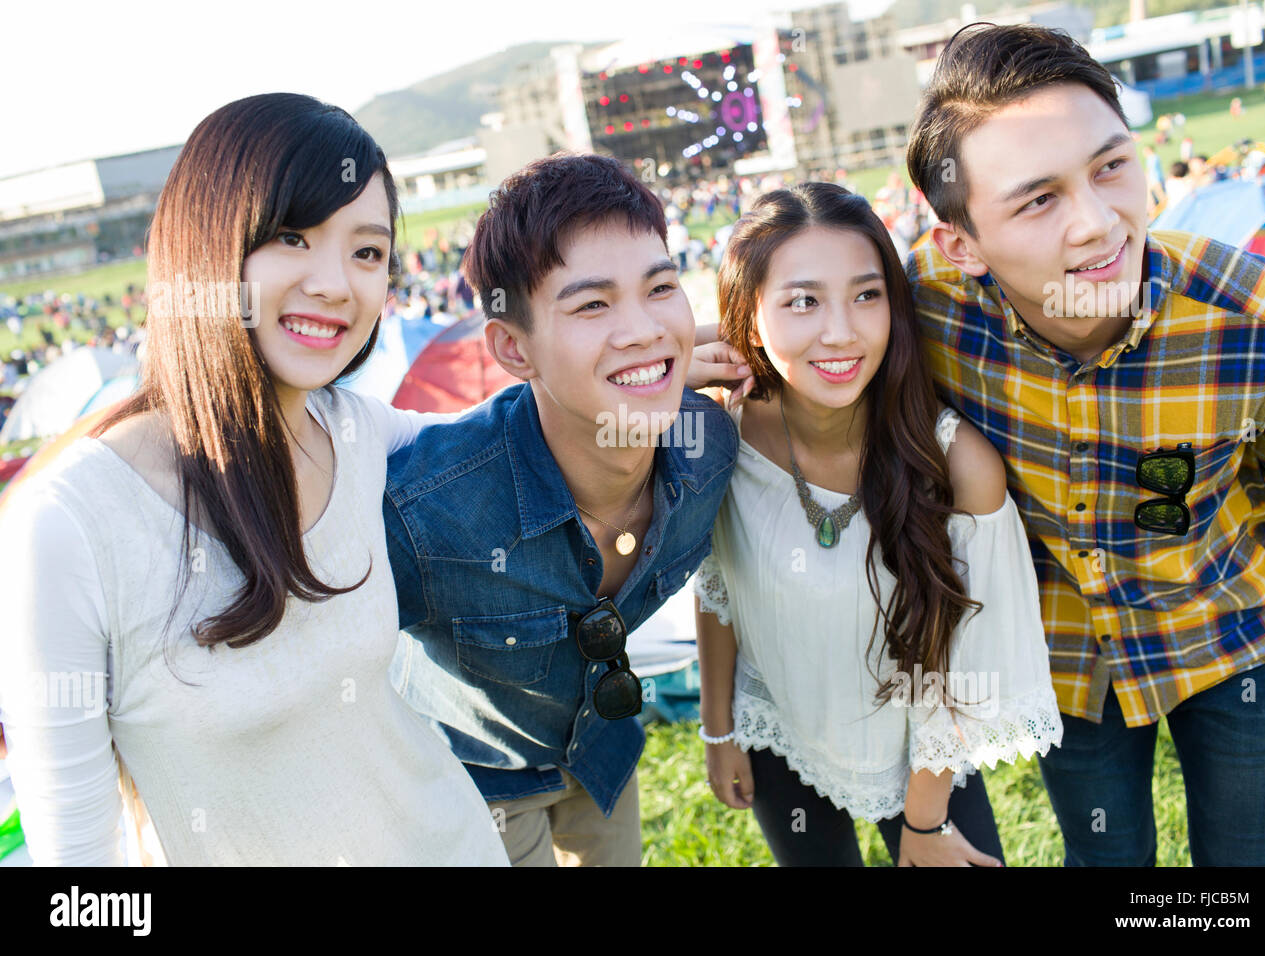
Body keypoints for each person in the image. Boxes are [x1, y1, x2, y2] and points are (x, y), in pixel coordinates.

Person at [0, 93, 510, 866]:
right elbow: (76, 852)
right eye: (291, 237)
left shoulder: (356, 431)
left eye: (367, 252)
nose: (336, 283)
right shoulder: (69, 522)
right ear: (205, 246)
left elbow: (507, 438)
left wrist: (651, 373)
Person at [905, 23, 1265, 866]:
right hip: (1066, 654)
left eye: (1111, 166)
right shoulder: (921, 312)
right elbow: (810, 337)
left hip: (1236, 634)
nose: (1097, 223)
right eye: (1038, 199)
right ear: (961, 245)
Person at [383, 153, 750, 867]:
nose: (642, 328)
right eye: (592, 305)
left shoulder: (709, 448)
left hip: (600, 748)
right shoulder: (429, 510)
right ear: (513, 348)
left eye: (661, 288)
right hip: (468, 776)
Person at [692, 182, 1061, 867]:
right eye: (803, 301)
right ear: (749, 318)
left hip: (925, 754)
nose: (841, 331)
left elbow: (970, 670)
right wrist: (720, 731)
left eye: (867, 294)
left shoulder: (958, 466)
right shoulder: (724, 435)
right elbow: (721, 593)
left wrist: (925, 823)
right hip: (778, 730)